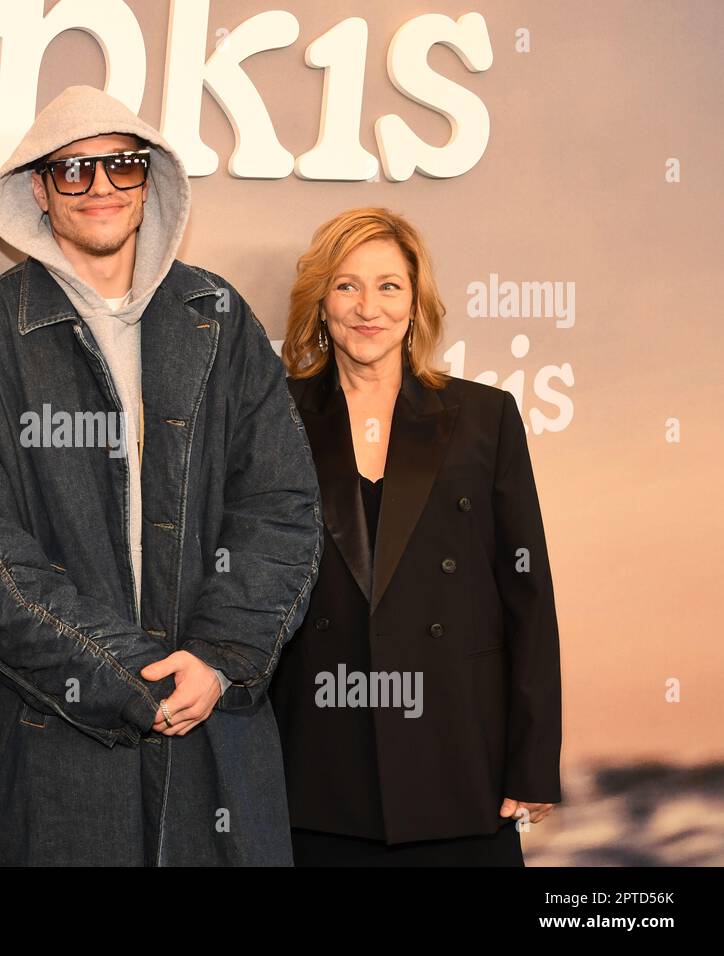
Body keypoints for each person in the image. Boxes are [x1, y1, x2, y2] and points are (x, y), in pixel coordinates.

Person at [0, 85, 321, 866]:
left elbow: (283, 507)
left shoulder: (219, 317)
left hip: (216, 742)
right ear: (39, 189)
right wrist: (132, 680)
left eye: (121, 167)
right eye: (75, 171)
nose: (100, 187)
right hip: (55, 756)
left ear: (149, 181)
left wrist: (221, 657)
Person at [270, 207, 562, 865]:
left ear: (415, 302)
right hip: (317, 772)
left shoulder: (484, 417)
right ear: (320, 300)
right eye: (346, 285)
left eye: (389, 286)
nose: (367, 306)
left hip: (460, 765)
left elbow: (529, 599)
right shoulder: (272, 416)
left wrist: (534, 761)